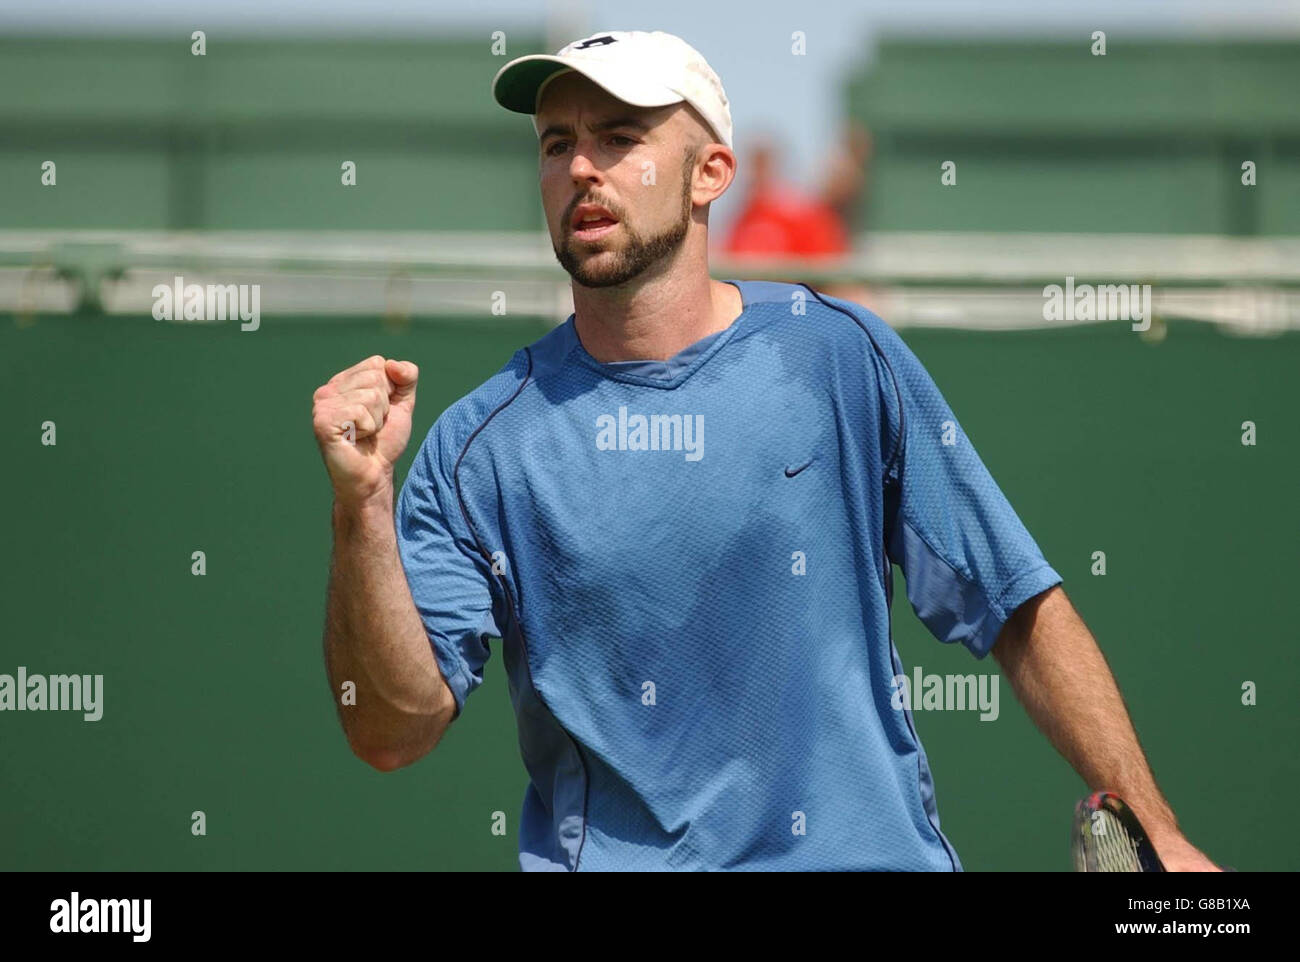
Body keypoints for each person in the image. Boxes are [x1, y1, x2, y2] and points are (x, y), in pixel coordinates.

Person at [312, 29, 1218, 872]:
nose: (581, 166)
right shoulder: (479, 447)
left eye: (619, 137)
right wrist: (363, 508)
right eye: (557, 144)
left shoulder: (839, 359)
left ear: (710, 174)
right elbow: (391, 732)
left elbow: (1017, 606)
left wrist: (1158, 831)